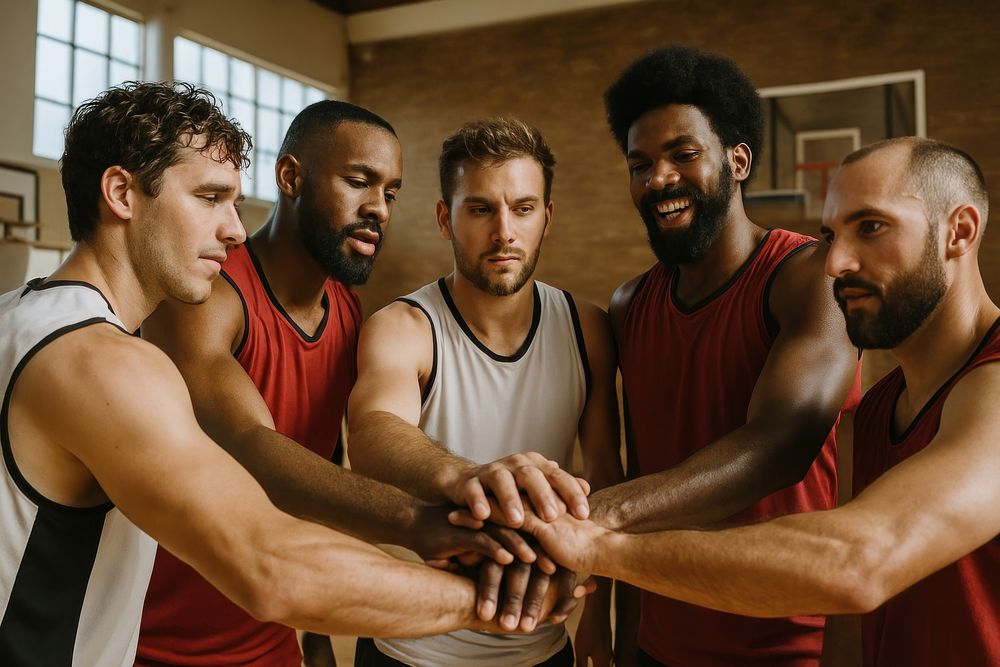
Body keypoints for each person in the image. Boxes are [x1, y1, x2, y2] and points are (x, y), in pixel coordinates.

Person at [0, 82, 576, 667]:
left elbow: (312, 484)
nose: (233, 228)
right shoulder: (103, 358)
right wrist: (501, 595)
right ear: (122, 193)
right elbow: (265, 552)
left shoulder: (20, 316)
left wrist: (317, 633)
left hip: (262, 635)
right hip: (168, 642)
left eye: (391, 191)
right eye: (209, 198)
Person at [521, 136, 1000, 667]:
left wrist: (597, 546)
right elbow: (849, 626)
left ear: (959, 232)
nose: (836, 262)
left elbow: (860, 560)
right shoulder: (875, 411)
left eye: (871, 227)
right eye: (830, 235)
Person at [582, 45, 860, 665]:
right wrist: (628, 642)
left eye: (683, 155)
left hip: (787, 643)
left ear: (737, 160)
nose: (658, 179)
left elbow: (778, 446)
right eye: (640, 164)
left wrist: (593, 517)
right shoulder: (630, 304)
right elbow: (640, 473)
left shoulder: (807, 275)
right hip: (663, 640)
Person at [346, 117, 623, 667]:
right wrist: (469, 477)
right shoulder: (404, 326)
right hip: (409, 649)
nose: (504, 232)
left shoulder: (586, 329)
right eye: (480, 209)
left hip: (541, 647)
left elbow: (607, 477)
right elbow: (374, 433)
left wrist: (600, 610)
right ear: (446, 219)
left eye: (523, 208)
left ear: (548, 218)